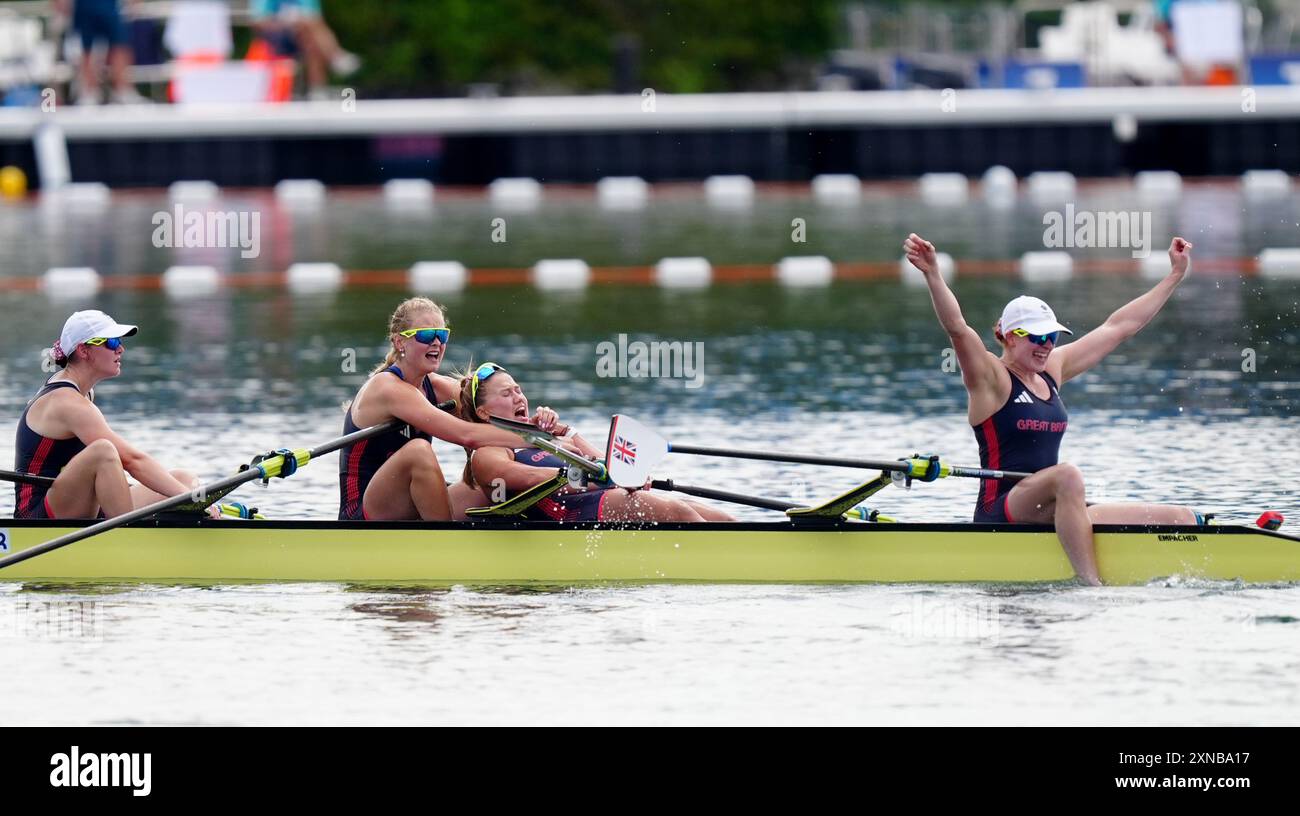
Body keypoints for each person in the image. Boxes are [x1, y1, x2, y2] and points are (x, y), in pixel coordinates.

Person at [904, 233, 1202, 585]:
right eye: (1037, 337)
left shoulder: (1052, 370)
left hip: (1056, 505)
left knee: (1180, 518)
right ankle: (1090, 585)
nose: (1047, 346)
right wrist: (933, 274)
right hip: (1001, 509)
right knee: (1068, 475)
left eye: (1052, 337)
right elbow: (957, 328)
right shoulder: (990, 378)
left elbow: (1119, 327)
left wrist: (1174, 276)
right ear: (1009, 335)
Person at [339, 298, 545, 522]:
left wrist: (540, 423)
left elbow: (492, 414)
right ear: (400, 342)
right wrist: (532, 437)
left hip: (409, 506)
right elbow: (466, 434)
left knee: (490, 488)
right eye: (426, 335)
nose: (436, 342)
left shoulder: (435, 386)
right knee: (418, 451)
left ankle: (552, 516)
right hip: (364, 514)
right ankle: (447, 542)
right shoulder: (386, 388)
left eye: (442, 335)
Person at [457, 362, 734, 523]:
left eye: (519, 390)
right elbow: (520, 477)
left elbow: (607, 463)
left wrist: (565, 431)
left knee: (716, 516)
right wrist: (589, 477)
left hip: (599, 497)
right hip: (572, 512)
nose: (519, 398)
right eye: (507, 394)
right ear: (484, 413)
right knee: (678, 510)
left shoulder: (545, 438)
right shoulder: (488, 451)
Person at [13, 310, 213, 519]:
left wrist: (188, 493)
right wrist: (191, 497)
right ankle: (127, 538)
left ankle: (180, 527)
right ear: (83, 350)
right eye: (112, 342)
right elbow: (132, 460)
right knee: (104, 452)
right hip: (37, 514)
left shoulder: (82, 392)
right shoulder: (66, 402)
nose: (120, 349)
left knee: (183, 479)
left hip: (80, 501)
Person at [249, 0, 360, 99]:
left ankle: (318, 92)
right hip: (274, 37)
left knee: (311, 44)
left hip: (302, 37)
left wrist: (297, 22)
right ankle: (335, 57)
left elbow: (315, 18)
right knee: (309, 28)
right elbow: (259, 22)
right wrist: (285, 22)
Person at [56, 0, 150, 104]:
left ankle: (123, 90)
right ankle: (89, 92)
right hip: (83, 5)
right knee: (85, 47)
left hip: (110, 5)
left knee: (120, 44)